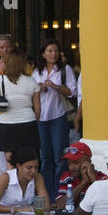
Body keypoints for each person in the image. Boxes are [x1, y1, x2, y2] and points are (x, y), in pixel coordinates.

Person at [33, 39, 77, 194]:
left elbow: (73, 91)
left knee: (59, 157)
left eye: (56, 51)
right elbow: (31, 90)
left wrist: (55, 86)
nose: (53, 54)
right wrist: (40, 87)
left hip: (58, 116)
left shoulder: (65, 69)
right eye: (50, 51)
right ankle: (46, 193)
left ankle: (60, 193)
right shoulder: (37, 71)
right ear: (43, 54)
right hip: (41, 117)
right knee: (45, 158)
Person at [0, 51, 40, 161]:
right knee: (28, 160)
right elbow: (38, 109)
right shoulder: (32, 81)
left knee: (10, 161)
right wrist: (35, 120)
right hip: (28, 123)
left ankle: (13, 178)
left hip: (8, 124)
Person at [55, 142, 106, 208]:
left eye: (76, 162)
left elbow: (105, 203)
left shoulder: (102, 178)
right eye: (69, 163)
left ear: (88, 162)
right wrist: (83, 183)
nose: (71, 167)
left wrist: (92, 178)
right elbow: (60, 205)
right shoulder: (67, 177)